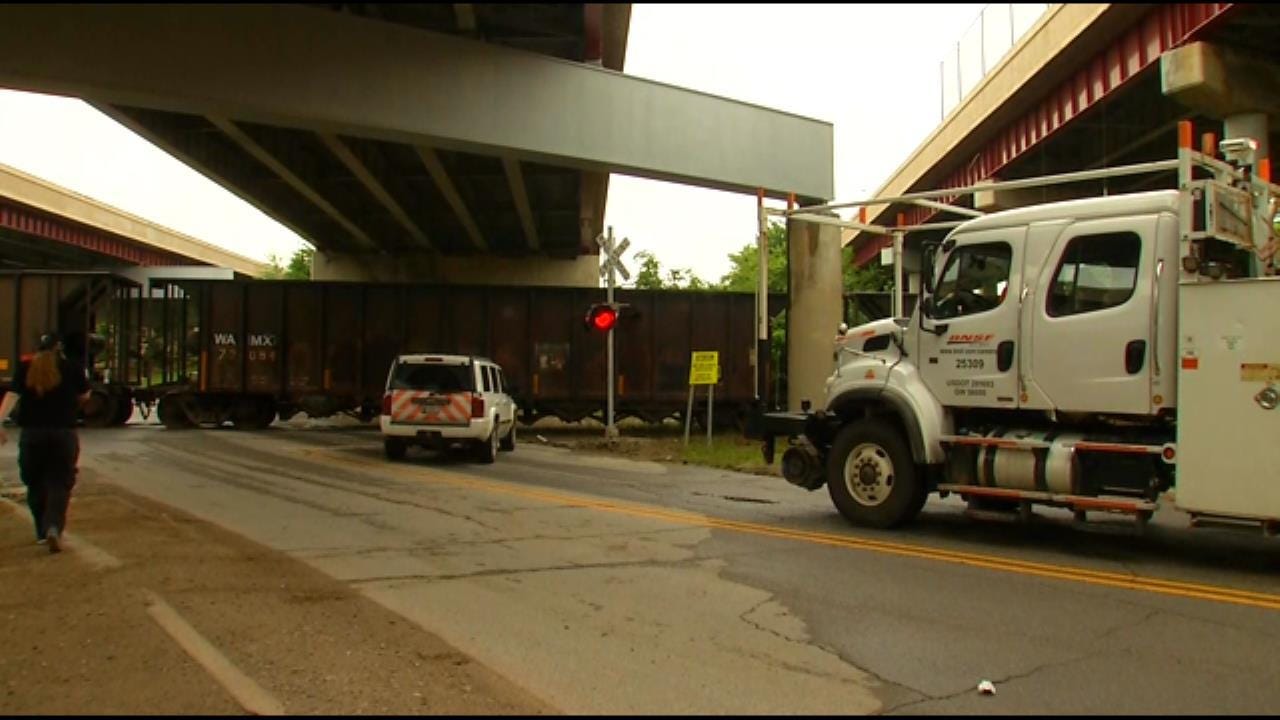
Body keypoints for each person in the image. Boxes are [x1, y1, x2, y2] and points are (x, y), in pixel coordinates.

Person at [0, 332, 91, 553]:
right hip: (63, 434)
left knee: (35, 482)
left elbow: (11, 397)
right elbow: (86, 395)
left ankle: (41, 531)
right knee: (60, 482)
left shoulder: (25, 369)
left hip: (32, 435)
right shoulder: (73, 368)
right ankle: (53, 527)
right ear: (59, 348)